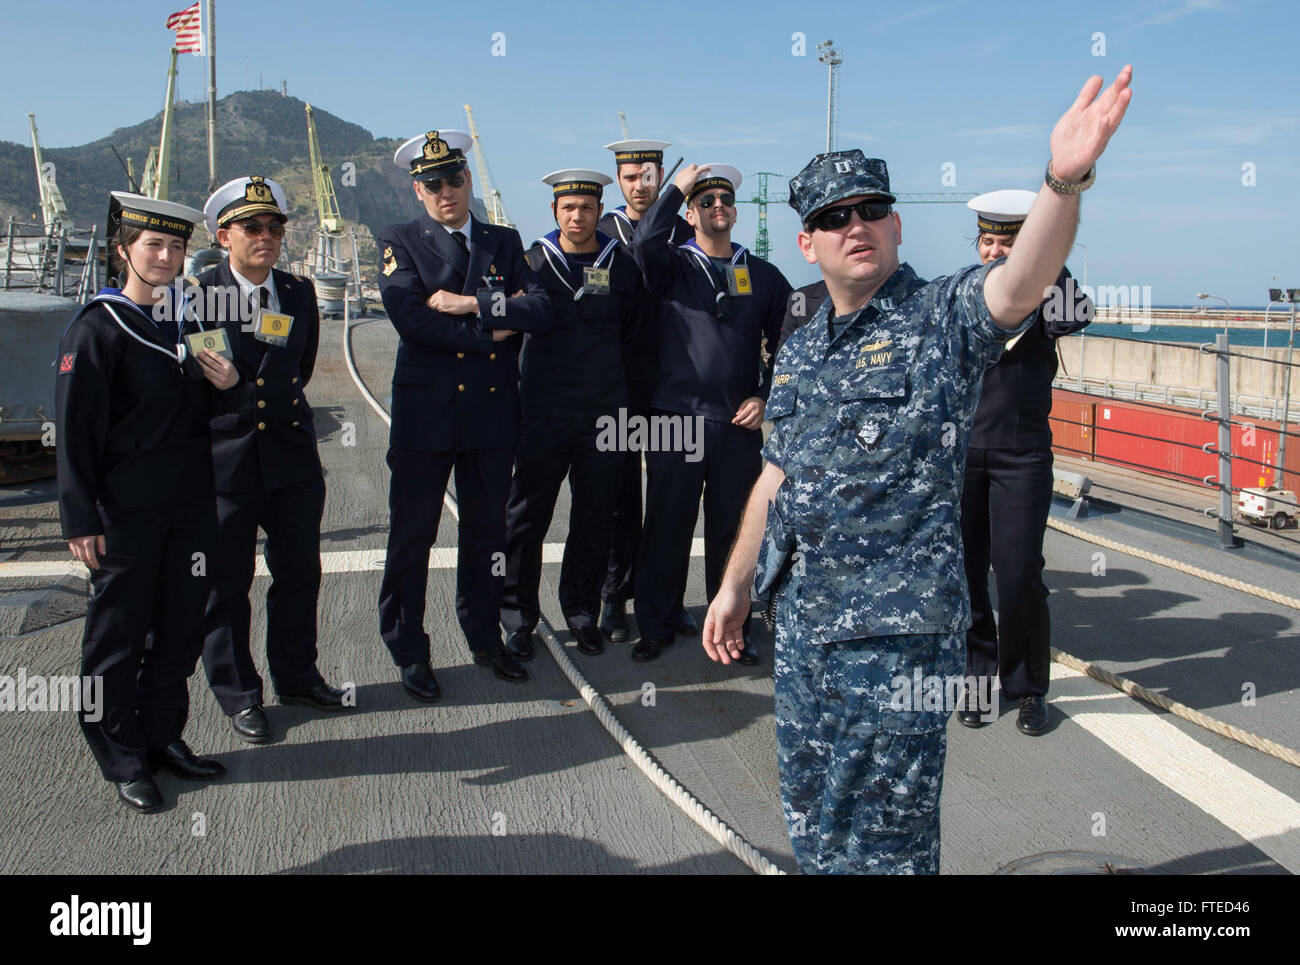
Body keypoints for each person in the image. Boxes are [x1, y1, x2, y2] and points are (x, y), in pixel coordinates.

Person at [703, 66, 1133, 873]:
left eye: (871, 210)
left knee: (886, 851)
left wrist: (1063, 180)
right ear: (808, 243)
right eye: (834, 217)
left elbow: (1020, 283)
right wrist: (732, 586)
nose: (855, 224)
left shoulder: (939, 318)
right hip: (802, 634)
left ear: (897, 227)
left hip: (895, 647)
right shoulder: (797, 352)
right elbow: (774, 478)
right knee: (816, 825)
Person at [55, 192, 241, 813]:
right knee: (117, 637)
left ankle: (163, 737)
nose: (165, 256)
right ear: (123, 251)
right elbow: (74, 429)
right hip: (122, 511)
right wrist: (79, 516)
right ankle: (121, 755)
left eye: (176, 246)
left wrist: (227, 386)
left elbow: (204, 415)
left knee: (181, 627)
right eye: (153, 245)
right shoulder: (97, 328)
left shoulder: (186, 322)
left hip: (188, 506)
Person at [376, 129, 551, 699]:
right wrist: (494, 333)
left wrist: (469, 303)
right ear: (418, 191)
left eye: (453, 179)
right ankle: (409, 649)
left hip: (491, 415)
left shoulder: (504, 240)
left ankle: (484, 636)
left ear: (468, 181)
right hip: (426, 415)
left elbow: (542, 307)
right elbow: (410, 320)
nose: (445, 190)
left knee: (487, 535)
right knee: (412, 537)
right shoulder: (399, 239)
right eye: (432, 183)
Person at [196, 175, 347, 746]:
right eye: (252, 227)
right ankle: (238, 693)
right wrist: (241, 389)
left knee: (300, 574)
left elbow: (297, 371)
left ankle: (298, 676)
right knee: (227, 584)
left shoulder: (299, 292)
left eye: (275, 227)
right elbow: (206, 377)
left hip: (291, 459)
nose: (267, 236)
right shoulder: (197, 293)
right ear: (223, 234)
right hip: (228, 462)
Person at [630, 162, 790, 664]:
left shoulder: (761, 274)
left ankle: (732, 629)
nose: (717, 207)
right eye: (705, 202)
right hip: (675, 418)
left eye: (724, 201)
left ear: (735, 212)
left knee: (733, 532)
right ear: (692, 214)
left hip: (737, 426)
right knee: (666, 525)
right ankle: (654, 625)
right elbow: (643, 244)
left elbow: (791, 340)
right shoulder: (671, 264)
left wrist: (766, 394)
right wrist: (675, 189)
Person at [956, 190, 1093, 735]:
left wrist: (1043, 254)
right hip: (962, 453)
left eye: (1007, 244)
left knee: (1018, 576)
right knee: (965, 575)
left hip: (1023, 456)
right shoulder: (965, 294)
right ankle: (978, 678)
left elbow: (1077, 314)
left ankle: (1028, 687)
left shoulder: (1048, 299)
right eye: (987, 241)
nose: (994, 253)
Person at [500, 169, 647, 659]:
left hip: (605, 413)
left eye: (587, 208)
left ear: (599, 210)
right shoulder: (531, 264)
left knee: (593, 518)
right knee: (527, 518)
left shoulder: (621, 265)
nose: (578, 216)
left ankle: (581, 611)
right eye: (568, 208)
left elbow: (634, 336)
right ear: (554, 212)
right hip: (542, 412)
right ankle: (518, 616)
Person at [598, 139, 695, 644]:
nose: (641, 185)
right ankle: (615, 597)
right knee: (618, 495)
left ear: (662, 176)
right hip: (617, 385)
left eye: (648, 175)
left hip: (671, 385)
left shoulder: (684, 228)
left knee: (670, 500)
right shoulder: (600, 230)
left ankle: (666, 597)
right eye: (631, 176)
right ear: (619, 180)